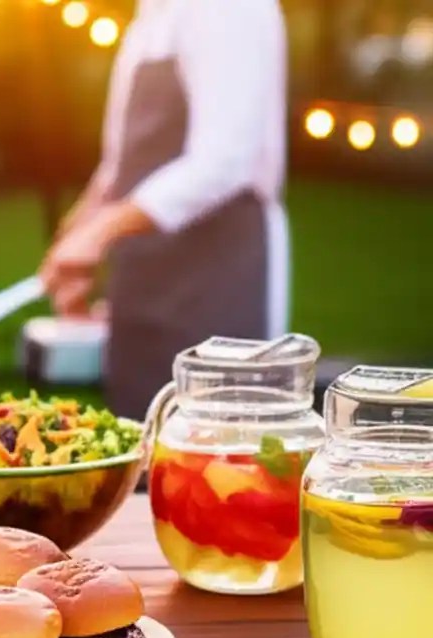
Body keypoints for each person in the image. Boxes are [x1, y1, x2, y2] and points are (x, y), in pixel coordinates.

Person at [39, 0, 289, 418]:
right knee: (139, 437)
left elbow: (224, 161)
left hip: (218, 276)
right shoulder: (150, 14)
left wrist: (100, 233)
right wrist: (77, 230)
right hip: (142, 279)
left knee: (220, 447)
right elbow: (121, 163)